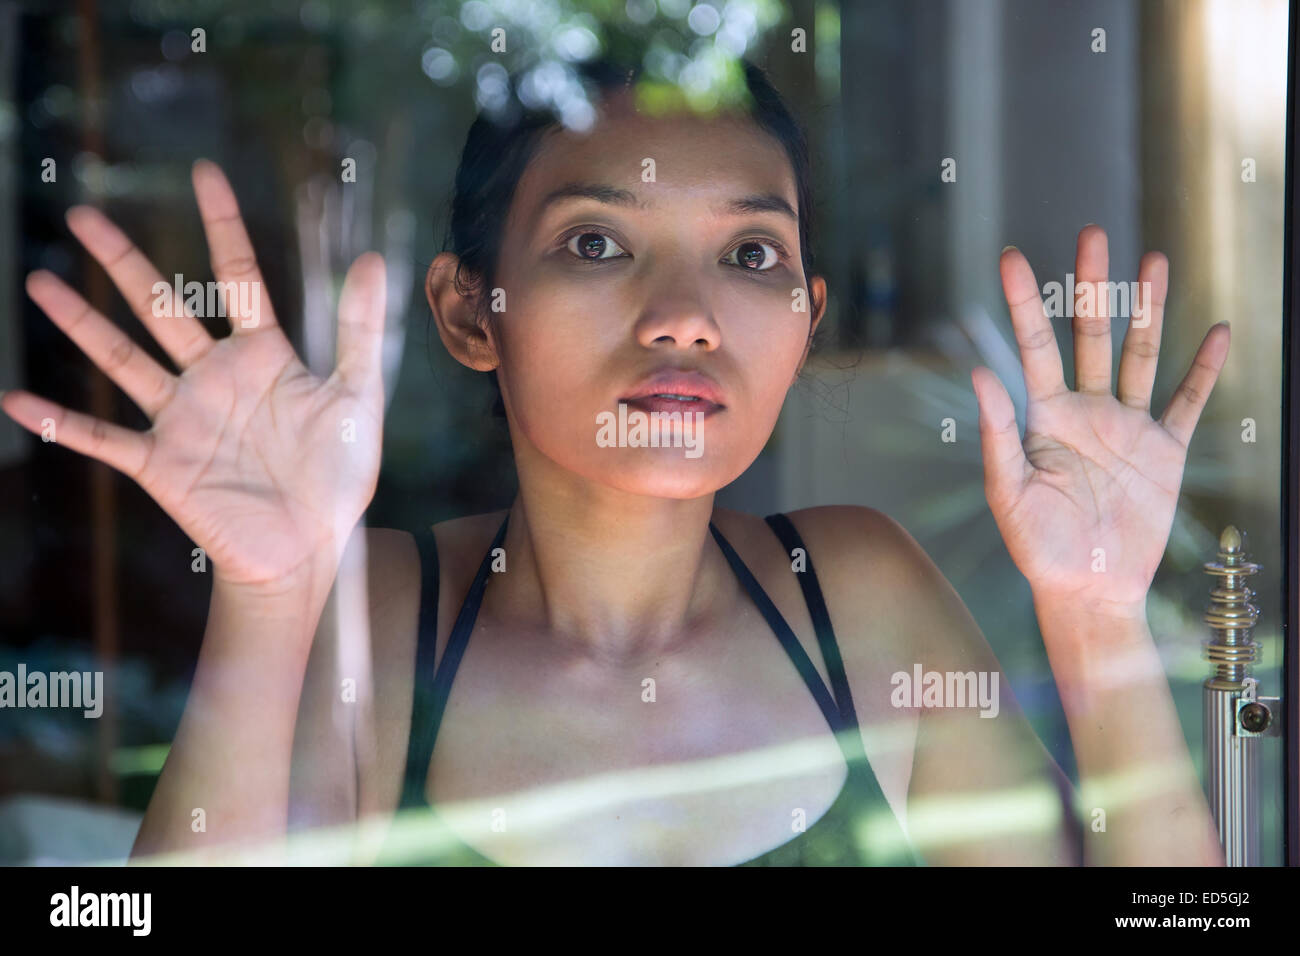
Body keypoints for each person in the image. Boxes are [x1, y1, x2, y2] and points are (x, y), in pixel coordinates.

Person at [0, 57, 1229, 866]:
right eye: (596, 240)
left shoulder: (860, 594)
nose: (685, 313)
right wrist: (266, 595)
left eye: (750, 256)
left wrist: (1099, 616)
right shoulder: (370, 614)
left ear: (804, 317)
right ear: (471, 313)